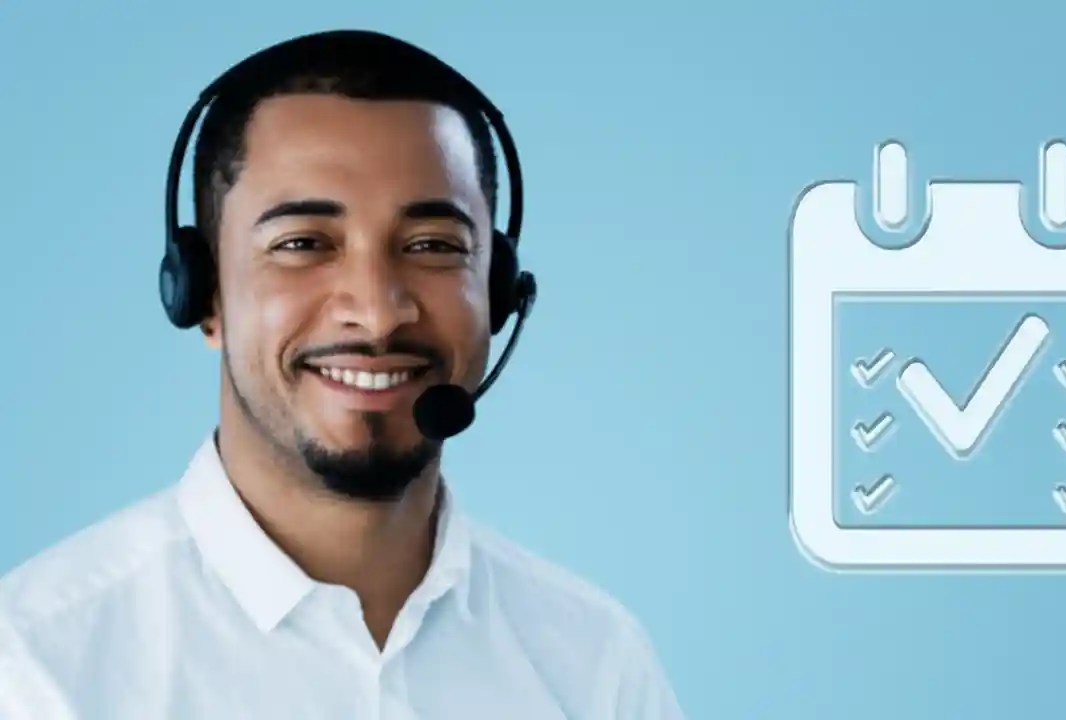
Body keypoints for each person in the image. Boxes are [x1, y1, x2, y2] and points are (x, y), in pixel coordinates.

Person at [0, 29, 684, 719]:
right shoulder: (36, 666)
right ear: (204, 293)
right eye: (302, 244)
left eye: (433, 246)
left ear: (500, 293)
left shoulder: (595, 663)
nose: (378, 313)